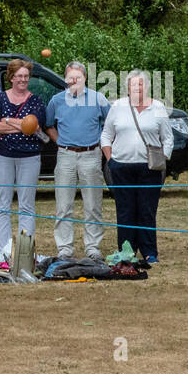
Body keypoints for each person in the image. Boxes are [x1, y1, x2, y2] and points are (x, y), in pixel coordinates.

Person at [100, 71, 173, 264]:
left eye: (140, 85)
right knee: (125, 211)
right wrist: (110, 160)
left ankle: (149, 252)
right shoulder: (117, 106)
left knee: (147, 210)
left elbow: (168, 138)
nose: (137, 89)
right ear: (127, 88)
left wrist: (162, 159)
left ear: (147, 87)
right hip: (121, 167)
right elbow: (106, 136)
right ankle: (126, 251)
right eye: (133, 85)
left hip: (150, 169)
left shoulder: (158, 107)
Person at [45, 61, 111, 261]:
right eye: (70, 78)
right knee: (63, 205)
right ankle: (65, 247)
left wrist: (101, 146)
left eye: (78, 77)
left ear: (84, 78)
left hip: (91, 155)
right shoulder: (56, 101)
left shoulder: (98, 99)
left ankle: (92, 247)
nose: (74, 81)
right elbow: (48, 125)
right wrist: (61, 143)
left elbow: (110, 125)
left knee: (92, 204)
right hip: (65, 156)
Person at [0, 59, 47, 266]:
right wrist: (22, 125)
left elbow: (35, 126)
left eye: (26, 76)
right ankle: (4, 252)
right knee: (2, 205)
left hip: (29, 157)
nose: (23, 79)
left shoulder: (36, 100)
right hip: (3, 156)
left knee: (26, 206)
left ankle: (24, 251)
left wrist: (6, 120)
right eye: (19, 76)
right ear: (11, 77)